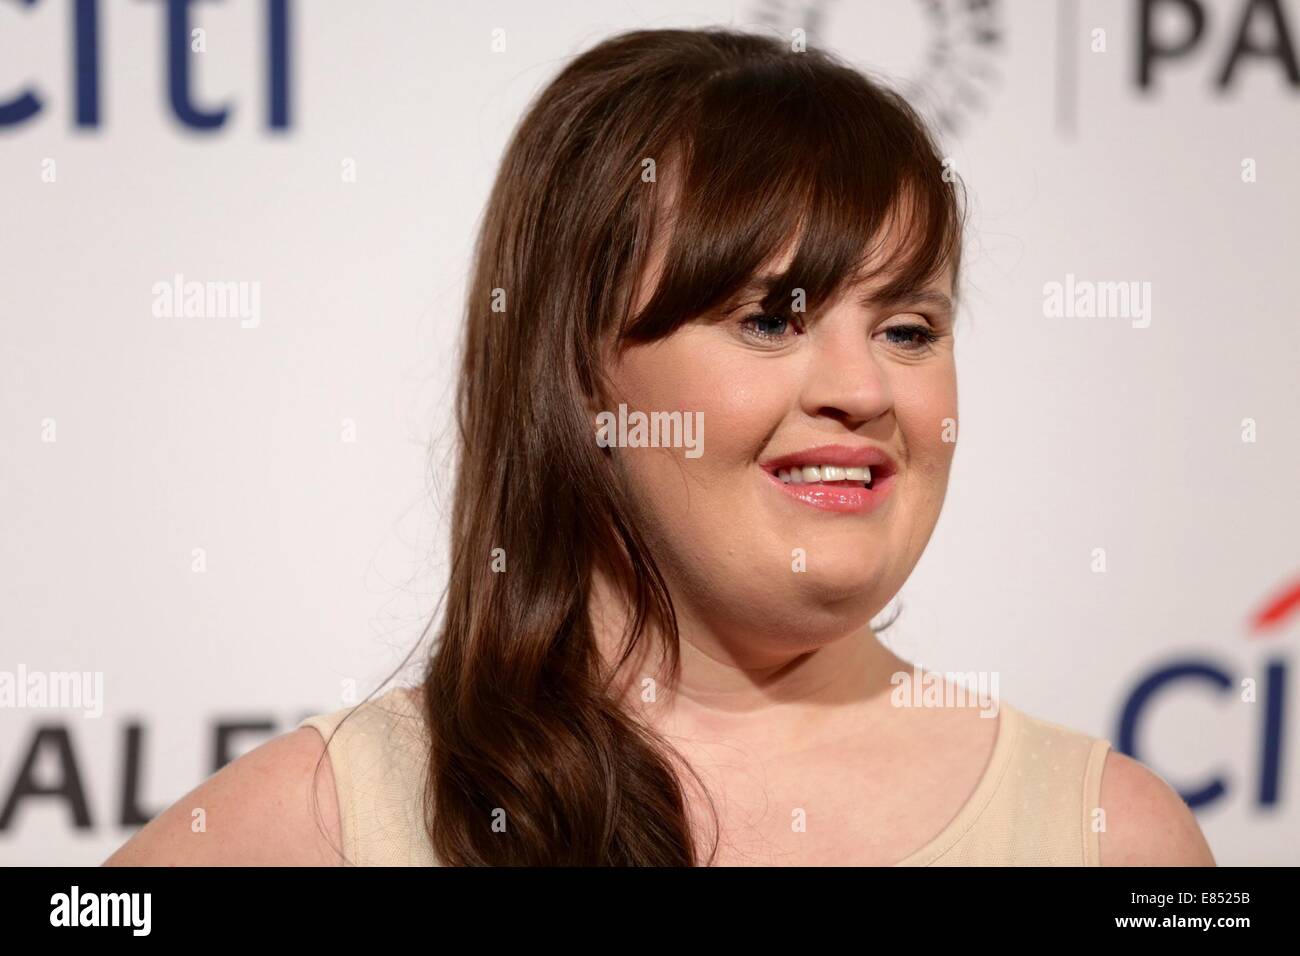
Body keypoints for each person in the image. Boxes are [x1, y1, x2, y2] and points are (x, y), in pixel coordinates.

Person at [106, 26, 1214, 867]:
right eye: (770, 317)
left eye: (908, 329)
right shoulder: (325, 826)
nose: (864, 391)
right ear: (579, 372)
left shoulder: (1115, 838)